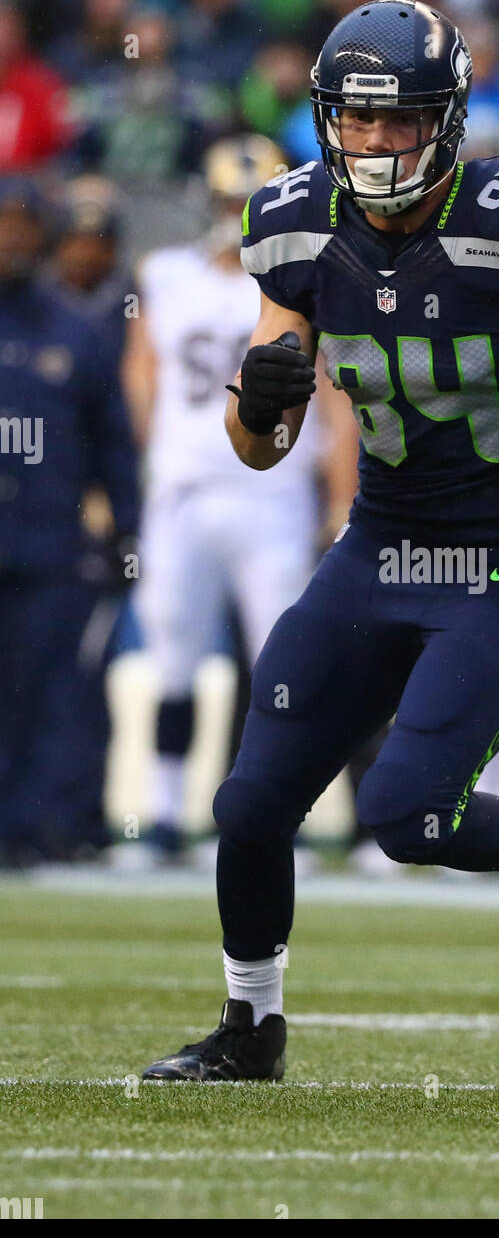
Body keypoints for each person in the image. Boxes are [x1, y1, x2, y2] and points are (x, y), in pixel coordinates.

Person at [140, 0, 499, 1083]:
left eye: (395, 120)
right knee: (250, 802)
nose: (370, 143)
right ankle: (249, 1028)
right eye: (351, 120)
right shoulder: (295, 226)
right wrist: (258, 402)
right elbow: (259, 449)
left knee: (406, 814)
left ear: (445, 121)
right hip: (379, 541)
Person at [123, 135, 323, 860]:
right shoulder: (168, 274)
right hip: (186, 490)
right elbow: (142, 370)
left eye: (248, 202)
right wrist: (160, 455)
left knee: (279, 663)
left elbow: (327, 394)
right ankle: (167, 814)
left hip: (274, 493)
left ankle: (267, 818)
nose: (234, 215)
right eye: (225, 202)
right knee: (172, 650)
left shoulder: (302, 280)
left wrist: (338, 495)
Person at [0, 178, 139, 863]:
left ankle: (37, 829)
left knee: (50, 690)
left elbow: (113, 440)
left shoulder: (75, 331)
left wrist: (127, 529)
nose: (12, 238)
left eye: (24, 225)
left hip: (49, 541)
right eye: (3, 223)